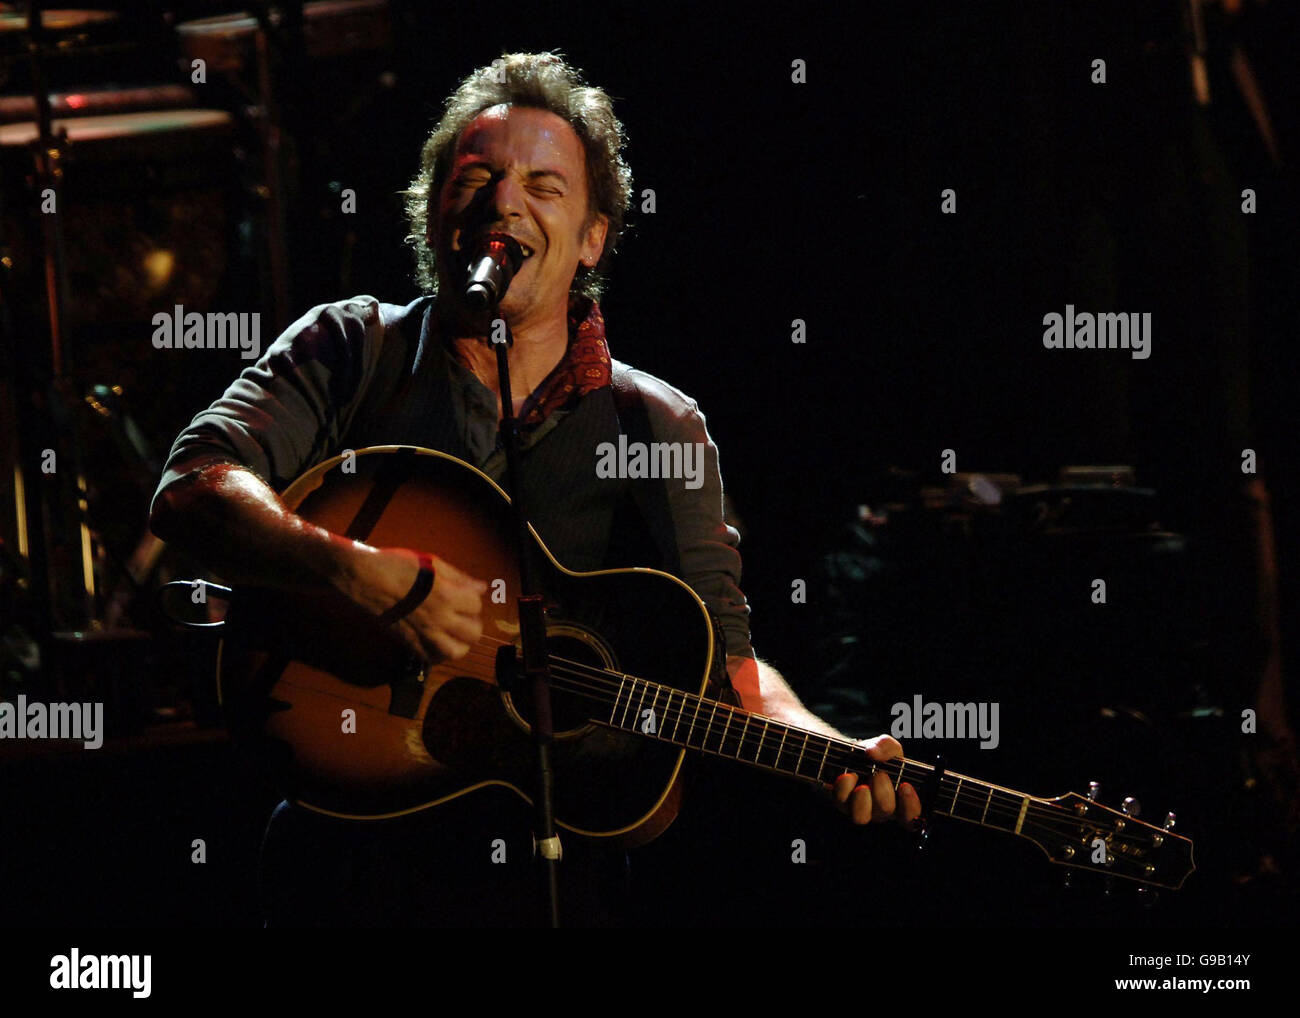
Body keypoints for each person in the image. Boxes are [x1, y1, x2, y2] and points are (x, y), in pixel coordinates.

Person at [149, 51, 920, 926]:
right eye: (476, 176)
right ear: (435, 213)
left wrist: (829, 751)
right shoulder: (349, 349)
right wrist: (353, 570)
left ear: (594, 236)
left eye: (544, 185)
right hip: (346, 855)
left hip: (551, 875)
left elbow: (726, 666)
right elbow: (192, 486)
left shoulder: (659, 428)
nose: (505, 201)